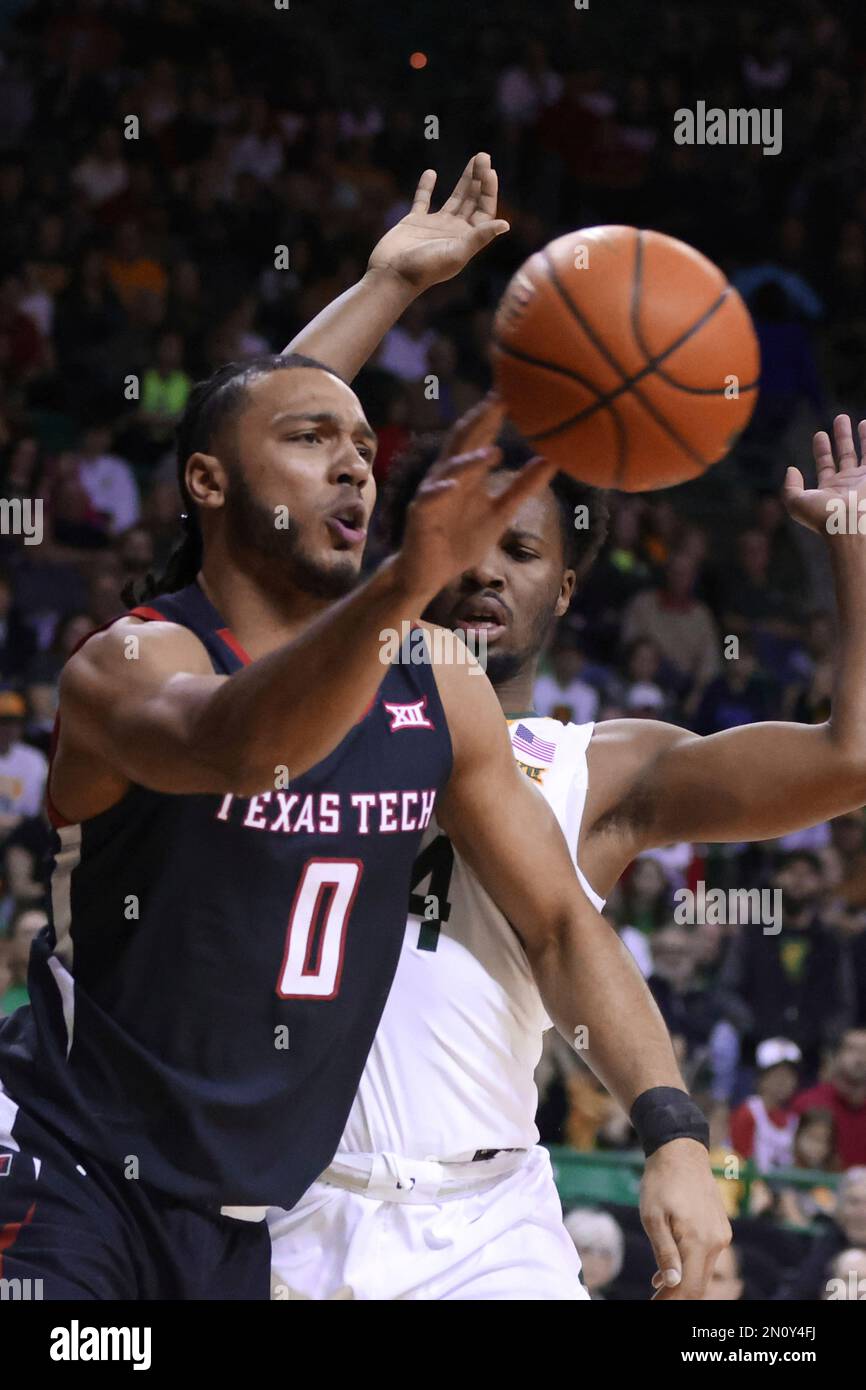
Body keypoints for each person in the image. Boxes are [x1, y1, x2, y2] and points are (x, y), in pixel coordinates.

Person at [0, 155, 719, 1302]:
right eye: (313, 442)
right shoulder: (132, 663)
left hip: (246, 1220)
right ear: (207, 483)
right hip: (70, 1166)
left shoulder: (435, 680)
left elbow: (557, 924)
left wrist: (672, 1124)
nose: (352, 461)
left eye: (362, 448)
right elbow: (242, 743)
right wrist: (397, 581)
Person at [268, 392, 866, 1300]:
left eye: (521, 551)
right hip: (292, 1196)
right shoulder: (302, 709)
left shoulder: (603, 767)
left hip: (487, 1221)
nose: (486, 574)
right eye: (468, 543)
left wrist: (852, 548)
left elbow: (849, 759)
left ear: (566, 585)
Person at [791, 1029, 866, 1168]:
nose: (860, 1059)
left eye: (865, 1051)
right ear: (836, 1056)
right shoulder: (807, 1103)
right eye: (852, 1049)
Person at [730, 1037, 801, 1171]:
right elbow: (734, 1157)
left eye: (789, 1076)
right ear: (761, 1078)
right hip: (750, 1185)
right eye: (778, 1075)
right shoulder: (748, 1112)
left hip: (785, 1187)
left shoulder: (793, 1118)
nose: (784, 1082)